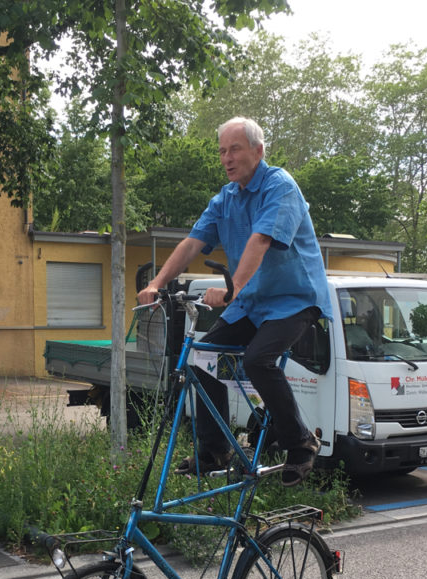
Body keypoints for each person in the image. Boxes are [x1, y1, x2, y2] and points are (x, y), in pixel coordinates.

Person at [137, 117, 330, 486]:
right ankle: (215, 450)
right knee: (202, 359)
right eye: (222, 151)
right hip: (253, 303)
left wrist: (231, 290)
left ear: (258, 151)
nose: (227, 158)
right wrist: (157, 283)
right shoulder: (225, 198)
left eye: (235, 149)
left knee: (259, 360)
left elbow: (260, 240)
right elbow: (192, 243)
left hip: (294, 300)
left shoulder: (280, 186)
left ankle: (301, 442)